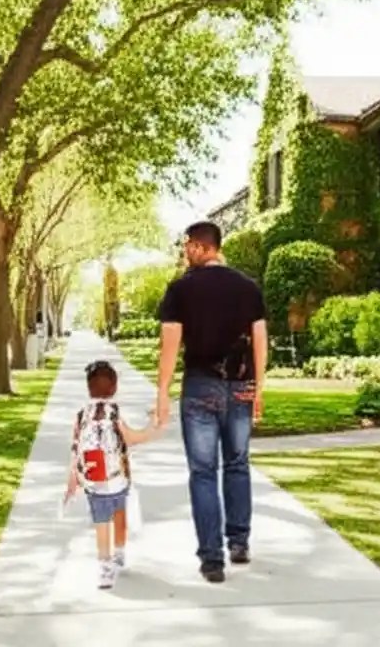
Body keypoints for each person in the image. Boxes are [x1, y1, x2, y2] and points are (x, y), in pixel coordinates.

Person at [155, 221, 267, 584]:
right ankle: (239, 542)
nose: (185, 251)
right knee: (237, 462)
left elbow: (170, 345)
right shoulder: (248, 287)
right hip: (240, 386)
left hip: (201, 385)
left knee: (203, 472)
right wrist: (259, 388)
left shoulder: (181, 289)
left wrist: (163, 393)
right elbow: (259, 338)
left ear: (202, 247)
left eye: (188, 245)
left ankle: (212, 560)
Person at [64, 360, 164, 589]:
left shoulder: (81, 415)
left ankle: (104, 567)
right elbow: (130, 439)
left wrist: (73, 480)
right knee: (120, 515)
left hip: (94, 481)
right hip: (117, 478)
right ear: (114, 388)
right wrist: (152, 427)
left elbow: (75, 447)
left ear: (89, 388)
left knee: (101, 523)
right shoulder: (113, 413)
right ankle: (119, 553)